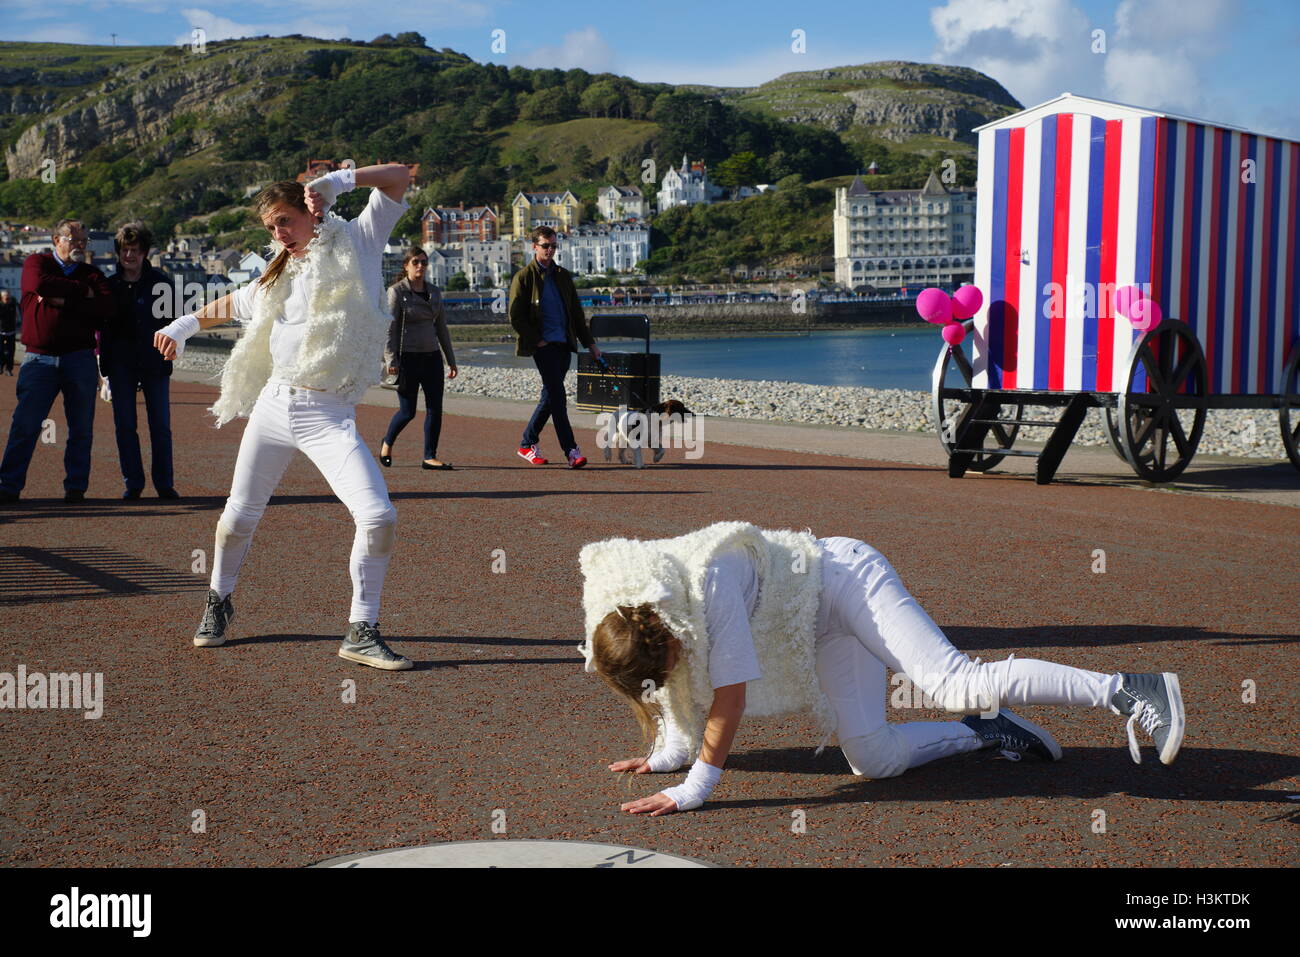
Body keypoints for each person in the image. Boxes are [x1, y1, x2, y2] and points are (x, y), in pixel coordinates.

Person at [579, 522, 1186, 816]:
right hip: (817, 623)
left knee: (954, 682)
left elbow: (727, 700)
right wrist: (665, 752)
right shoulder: (639, 604)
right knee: (873, 759)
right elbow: (676, 683)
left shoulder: (706, 587)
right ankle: (986, 730)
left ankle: (1129, 689)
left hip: (846, 580)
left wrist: (694, 789)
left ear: (671, 639)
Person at [153, 164, 414, 671]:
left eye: (284, 222)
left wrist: (339, 181)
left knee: (378, 516)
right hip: (274, 405)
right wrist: (182, 325)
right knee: (238, 517)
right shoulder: (278, 273)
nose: (278, 234)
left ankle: (362, 628)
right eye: (270, 227)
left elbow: (399, 177)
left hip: (328, 412)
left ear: (310, 212)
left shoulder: (359, 241)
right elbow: (231, 302)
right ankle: (218, 602)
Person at [0, 220, 115, 504]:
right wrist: (82, 293)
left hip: (80, 358)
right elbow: (38, 283)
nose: (79, 245)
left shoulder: (92, 273)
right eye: (74, 239)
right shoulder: (36, 262)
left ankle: (75, 487)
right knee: (25, 424)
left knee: (81, 428)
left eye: (83, 242)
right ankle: (8, 486)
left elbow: (106, 307)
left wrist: (62, 299)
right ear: (56, 239)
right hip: (39, 357)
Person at [508, 225, 601, 468]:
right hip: (543, 347)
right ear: (534, 247)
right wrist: (536, 340)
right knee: (558, 398)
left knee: (550, 396)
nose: (550, 250)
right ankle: (571, 451)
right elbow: (515, 316)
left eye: (554, 246)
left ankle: (527, 444)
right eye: (546, 246)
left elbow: (576, 314)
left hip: (563, 344)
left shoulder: (562, 275)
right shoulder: (524, 277)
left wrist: (589, 343)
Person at [103, 221, 179, 500]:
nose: (129, 256)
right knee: (125, 425)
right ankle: (133, 483)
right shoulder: (109, 286)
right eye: (124, 250)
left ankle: (164, 484)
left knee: (160, 425)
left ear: (144, 252)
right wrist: (104, 368)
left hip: (155, 362)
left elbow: (176, 322)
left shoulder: (161, 283)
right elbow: (101, 327)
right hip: (120, 363)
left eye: (134, 250)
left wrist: (172, 350)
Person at [379, 248, 458, 470]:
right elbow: (389, 330)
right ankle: (387, 442)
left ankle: (429, 456)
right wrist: (391, 360)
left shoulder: (434, 292)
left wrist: (450, 360)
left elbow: (441, 328)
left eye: (424, 262)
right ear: (406, 265)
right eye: (416, 262)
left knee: (435, 408)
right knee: (407, 412)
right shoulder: (396, 292)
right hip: (407, 359)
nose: (421, 266)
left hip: (432, 357)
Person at [0, 289, 17, 375]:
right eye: (6, 297)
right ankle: (0, 367)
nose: (8, 298)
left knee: (11, 351)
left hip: (11, 332)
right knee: (0, 350)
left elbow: (17, 316)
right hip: (1, 332)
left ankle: (8, 369)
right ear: (2, 298)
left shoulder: (13, 305)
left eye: (9, 297)